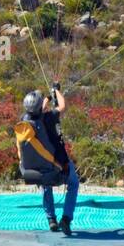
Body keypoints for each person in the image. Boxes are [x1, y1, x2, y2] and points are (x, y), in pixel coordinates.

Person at [23, 83, 79, 235]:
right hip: (58, 166)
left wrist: (47, 98)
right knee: (74, 183)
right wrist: (56, 91)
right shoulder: (50, 117)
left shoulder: (26, 122)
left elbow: (38, 110)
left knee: (45, 184)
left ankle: (51, 219)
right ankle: (66, 219)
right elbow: (62, 105)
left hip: (38, 168)